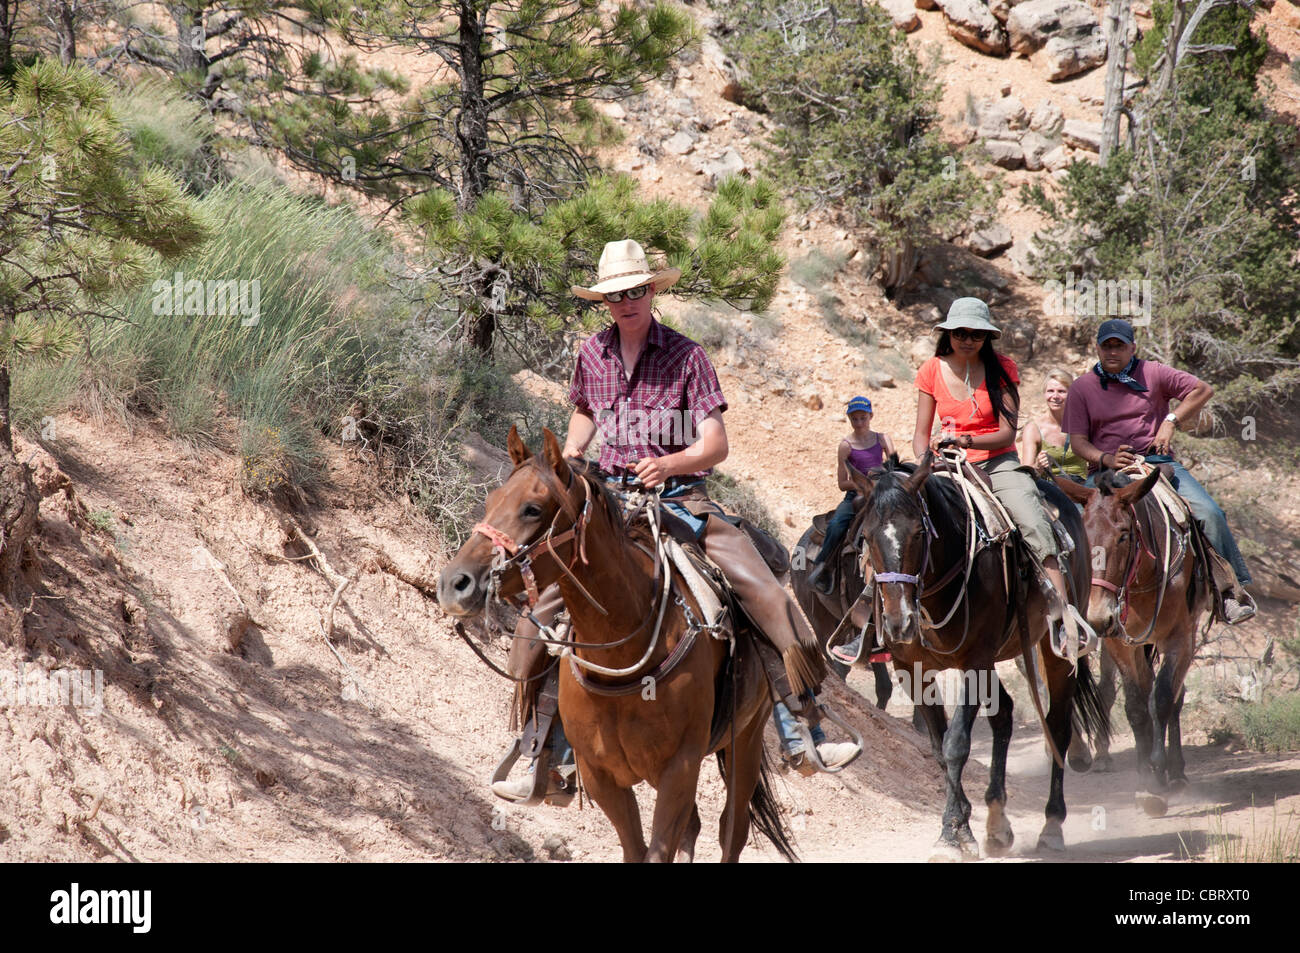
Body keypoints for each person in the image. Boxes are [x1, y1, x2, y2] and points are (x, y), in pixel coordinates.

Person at [491, 240, 859, 804]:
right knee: (547, 605)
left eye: (636, 291)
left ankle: (803, 725)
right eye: (616, 295)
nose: (627, 302)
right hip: (608, 505)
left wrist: (670, 462)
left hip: (683, 501)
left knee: (758, 586)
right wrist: (572, 459)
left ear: (652, 292)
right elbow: (583, 417)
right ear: (605, 301)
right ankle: (544, 753)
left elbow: (716, 443)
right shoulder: (593, 354)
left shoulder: (687, 357)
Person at [913, 298, 1085, 648]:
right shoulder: (931, 369)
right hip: (944, 464)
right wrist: (925, 461)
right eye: (960, 332)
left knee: (1032, 519)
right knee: (899, 520)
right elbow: (920, 433)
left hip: (996, 460)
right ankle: (878, 618)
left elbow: (1008, 433)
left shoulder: (1002, 367)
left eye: (976, 334)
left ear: (986, 338)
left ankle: (1063, 615)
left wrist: (964, 439)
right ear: (948, 333)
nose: (968, 339)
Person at [1062, 318, 1255, 623]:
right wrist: (1107, 458)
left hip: (1156, 464)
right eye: (1106, 345)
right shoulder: (1082, 387)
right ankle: (1065, 604)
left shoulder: (1152, 372)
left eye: (1119, 346)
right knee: (1072, 523)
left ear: (1132, 348)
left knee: (1208, 512)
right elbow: (1077, 443)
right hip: (1105, 472)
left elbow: (1202, 389)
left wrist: (1170, 422)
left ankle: (1229, 592)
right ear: (1097, 348)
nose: (1112, 352)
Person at [808, 396, 896, 595]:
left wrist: (882, 478)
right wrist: (865, 483)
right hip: (856, 495)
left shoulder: (883, 439)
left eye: (863, 418)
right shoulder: (846, 445)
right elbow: (842, 483)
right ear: (849, 419)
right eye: (855, 419)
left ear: (871, 416)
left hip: (883, 492)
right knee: (838, 524)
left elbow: (894, 466)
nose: (859, 423)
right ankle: (823, 567)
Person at [1019, 368, 1088, 482]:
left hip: (1082, 486)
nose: (1055, 396)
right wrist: (1038, 466)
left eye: (1061, 391)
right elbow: (1028, 472)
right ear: (1044, 393)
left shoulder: (1082, 423)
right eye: (1050, 391)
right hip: (1050, 487)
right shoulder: (1033, 429)